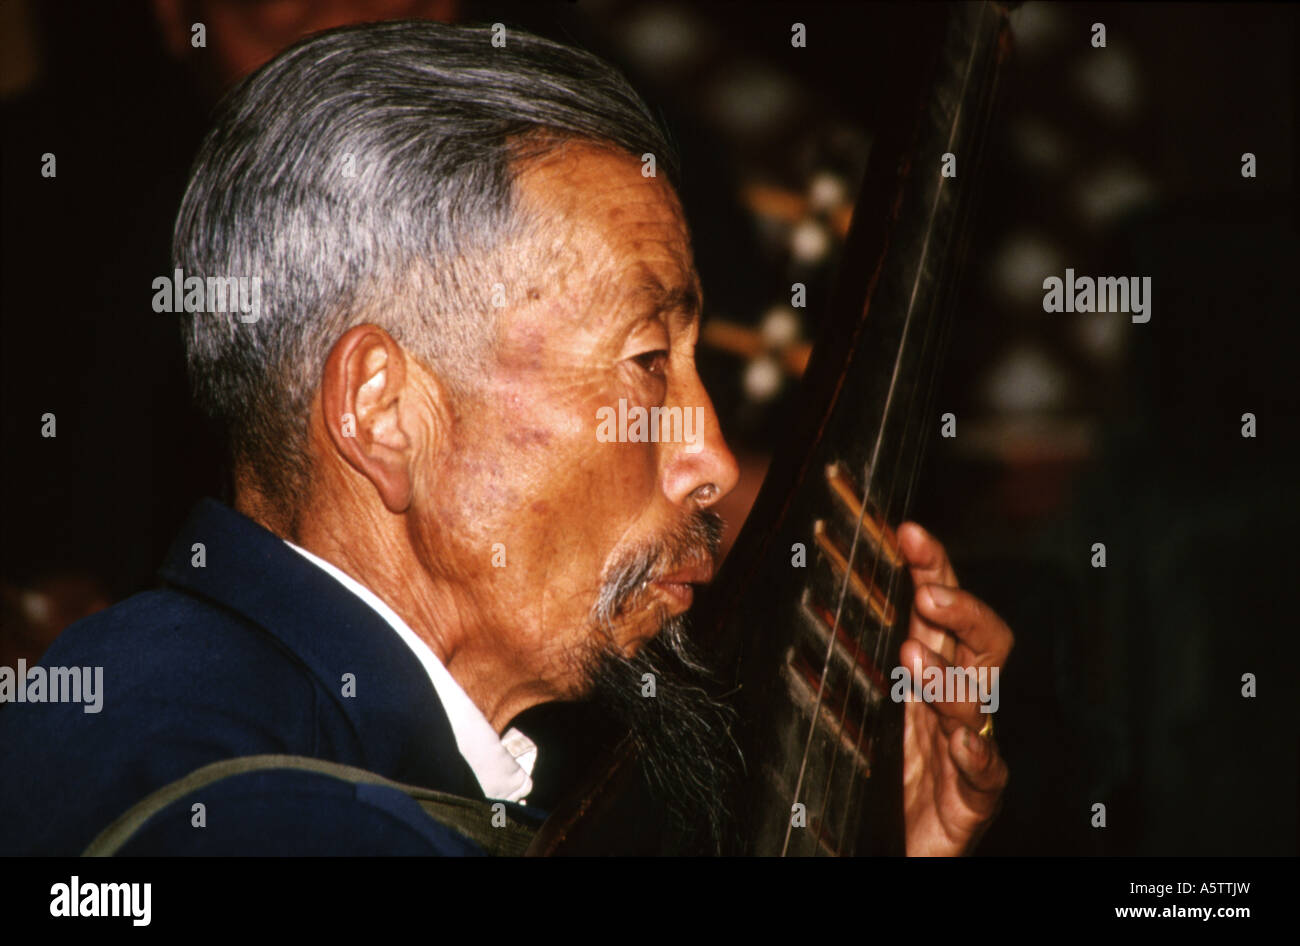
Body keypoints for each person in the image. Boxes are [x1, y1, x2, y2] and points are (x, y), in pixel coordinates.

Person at [0, 20, 1011, 856]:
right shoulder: (267, 819)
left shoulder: (258, 719)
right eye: (647, 362)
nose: (706, 460)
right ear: (384, 410)